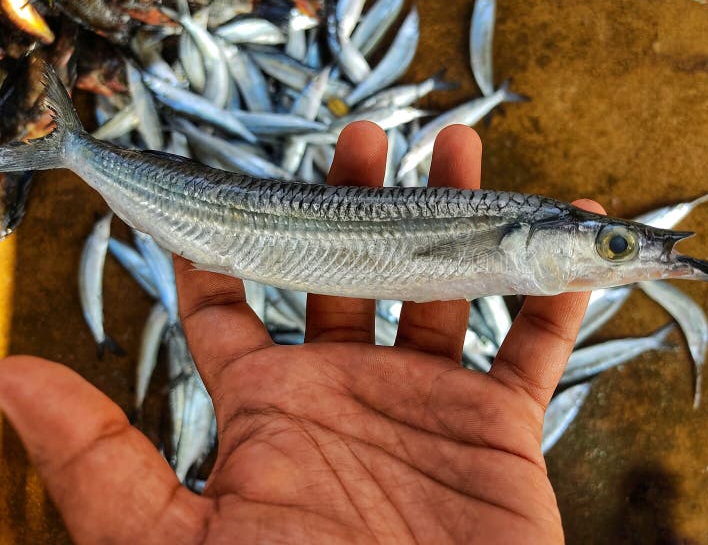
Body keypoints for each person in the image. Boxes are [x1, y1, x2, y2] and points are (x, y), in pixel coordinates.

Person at [0, 122, 604, 544]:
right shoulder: (505, 241)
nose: (616, 259)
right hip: (224, 218)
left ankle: (73, 147)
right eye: (615, 247)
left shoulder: (518, 250)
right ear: (532, 236)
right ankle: (72, 148)